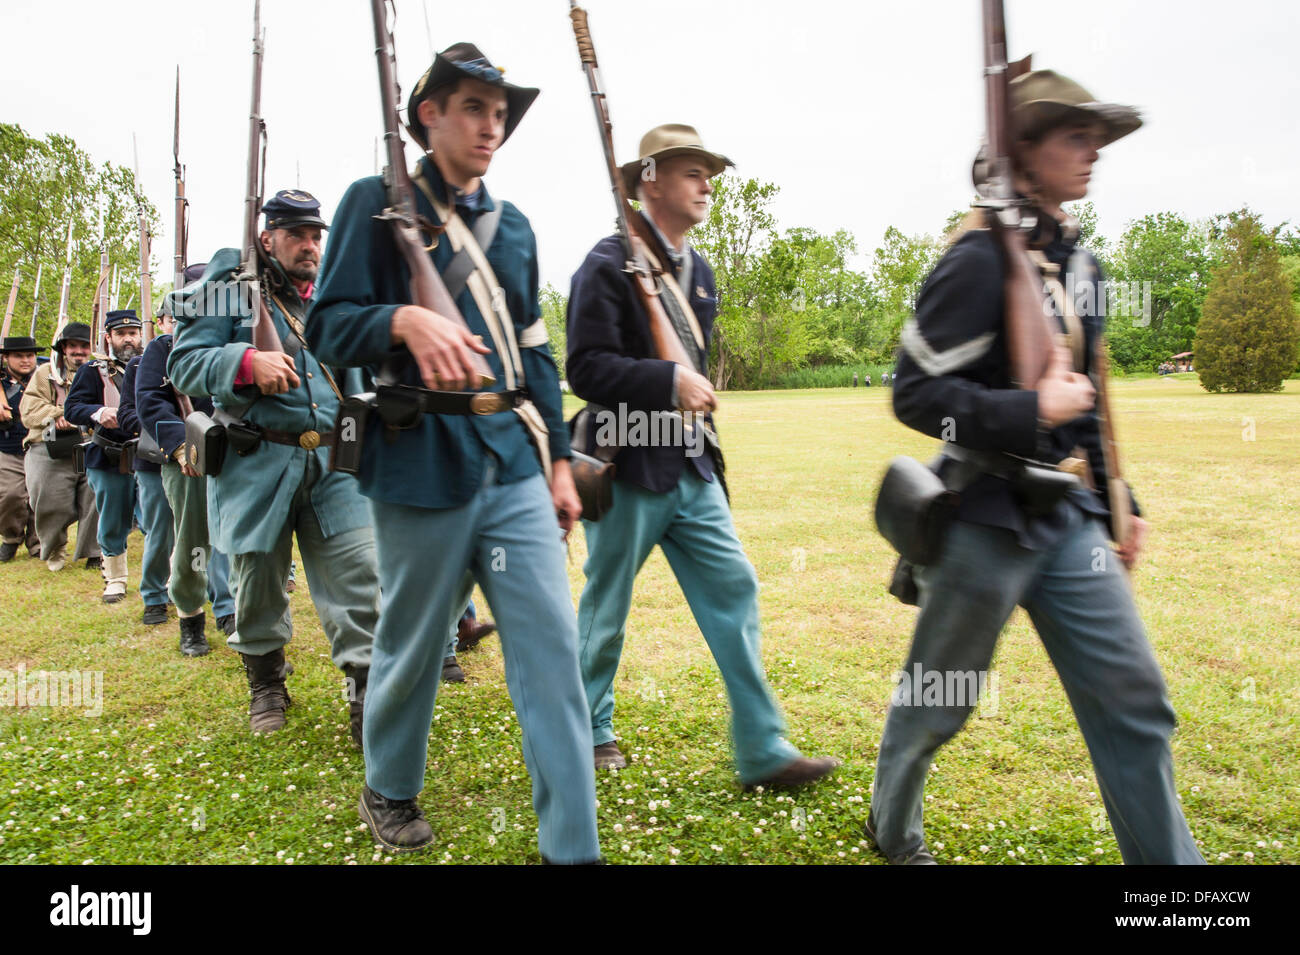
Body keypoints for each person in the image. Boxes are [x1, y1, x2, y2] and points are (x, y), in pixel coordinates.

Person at [866, 70, 1203, 865]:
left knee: (1133, 698)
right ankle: (891, 819)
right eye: (1075, 137)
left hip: (1070, 516)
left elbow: (1088, 400)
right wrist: (1025, 413)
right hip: (983, 514)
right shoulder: (978, 259)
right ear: (1025, 150)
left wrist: (1120, 493)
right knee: (940, 698)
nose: (1094, 154)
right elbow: (915, 395)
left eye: (1097, 139)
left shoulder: (1082, 267)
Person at [308, 42, 601, 862]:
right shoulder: (374, 203)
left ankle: (573, 849)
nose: (491, 127)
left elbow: (537, 352)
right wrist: (400, 321)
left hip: (511, 459)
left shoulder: (515, 229)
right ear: (428, 113)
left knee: (552, 659)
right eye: (473, 107)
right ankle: (388, 785)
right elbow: (327, 324)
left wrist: (558, 460)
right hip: (418, 459)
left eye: (500, 114)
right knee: (410, 643)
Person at [566, 124, 838, 789]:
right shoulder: (605, 264)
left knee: (735, 587)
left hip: (691, 466)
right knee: (607, 608)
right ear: (650, 179)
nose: (708, 184)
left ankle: (763, 747)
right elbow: (586, 368)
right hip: (627, 463)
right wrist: (665, 381)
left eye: (709, 173)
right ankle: (586, 729)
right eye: (693, 172)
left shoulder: (701, 272)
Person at [169, 190, 378, 742]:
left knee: (360, 575)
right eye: (297, 235)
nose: (310, 245)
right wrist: (243, 360)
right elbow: (184, 362)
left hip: (335, 459)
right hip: (256, 459)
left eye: (316, 235)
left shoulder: (333, 290)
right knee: (256, 580)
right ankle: (266, 684)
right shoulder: (229, 283)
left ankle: (364, 694)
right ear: (267, 238)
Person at [137, 267, 237, 655]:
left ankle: (232, 610)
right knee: (194, 539)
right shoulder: (162, 349)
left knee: (241, 538)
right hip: (187, 457)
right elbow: (149, 400)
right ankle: (191, 615)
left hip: (238, 452)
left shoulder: (232, 339)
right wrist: (182, 446)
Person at [65, 310, 144, 603]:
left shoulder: (151, 365)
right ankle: (115, 578)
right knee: (113, 518)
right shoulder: (92, 370)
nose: (128, 339)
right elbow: (72, 409)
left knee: (156, 517)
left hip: (148, 454)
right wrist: (98, 412)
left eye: (133, 333)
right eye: (121, 334)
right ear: (108, 337)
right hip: (109, 454)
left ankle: (163, 576)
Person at [19, 322, 100, 572]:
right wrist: (57, 415)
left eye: (84, 346)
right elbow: (29, 409)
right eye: (73, 346)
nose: (79, 351)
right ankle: (54, 546)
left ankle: (95, 551)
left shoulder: (101, 372)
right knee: (49, 500)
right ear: (64, 349)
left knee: (96, 497)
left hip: (90, 444)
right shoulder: (45, 372)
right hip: (49, 445)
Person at [118, 343, 173, 626]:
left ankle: (201, 590)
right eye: (171, 318)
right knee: (160, 532)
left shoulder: (209, 353)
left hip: (204, 455)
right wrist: (158, 423)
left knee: (204, 535)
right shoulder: (140, 365)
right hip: (155, 460)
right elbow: (126, 412)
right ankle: (154, 596)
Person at [0, 336, 43, 561]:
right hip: (7, 447)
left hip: (39, 444)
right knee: (11, 495)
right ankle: (10, 538)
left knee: (39, 495)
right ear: (5, 358)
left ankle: (37, 542)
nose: (25, 360)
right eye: (18, 356)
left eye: (29, 355)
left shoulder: (44, 375)